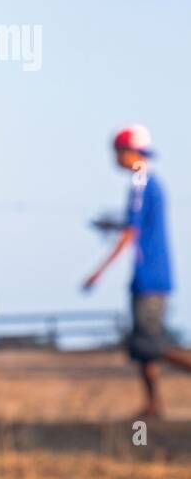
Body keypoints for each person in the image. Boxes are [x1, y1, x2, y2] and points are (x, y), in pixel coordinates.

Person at [84, 124, 189, 418]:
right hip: (154, 275)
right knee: (144, 345)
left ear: (129, 152)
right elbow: (136, 226)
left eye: (116, 152)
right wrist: (112, 225)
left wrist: (99, 272)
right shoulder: (150, 183)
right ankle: (153, 406)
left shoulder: (140, 184)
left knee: (150, 345)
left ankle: (154, 405)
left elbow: (131, 234)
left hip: (149, 276)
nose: (114, 159)